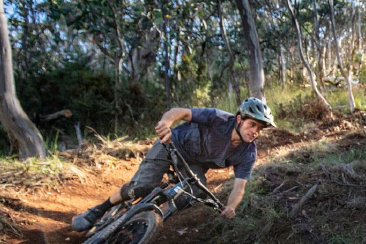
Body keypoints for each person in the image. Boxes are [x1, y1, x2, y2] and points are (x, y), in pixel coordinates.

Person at [71, 97, 275, 231]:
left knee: (196, 191)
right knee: (143, 186)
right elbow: (181, 112)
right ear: (239, 119)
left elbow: (240, 187)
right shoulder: (219, 118)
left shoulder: (248, 153)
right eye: (252, 124)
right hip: (172, 144)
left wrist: (231, 207)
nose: (255, 131)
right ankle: (99, 209)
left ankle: (150, 221)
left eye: (260, 128)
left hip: (192, 164)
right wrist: (166, 124)